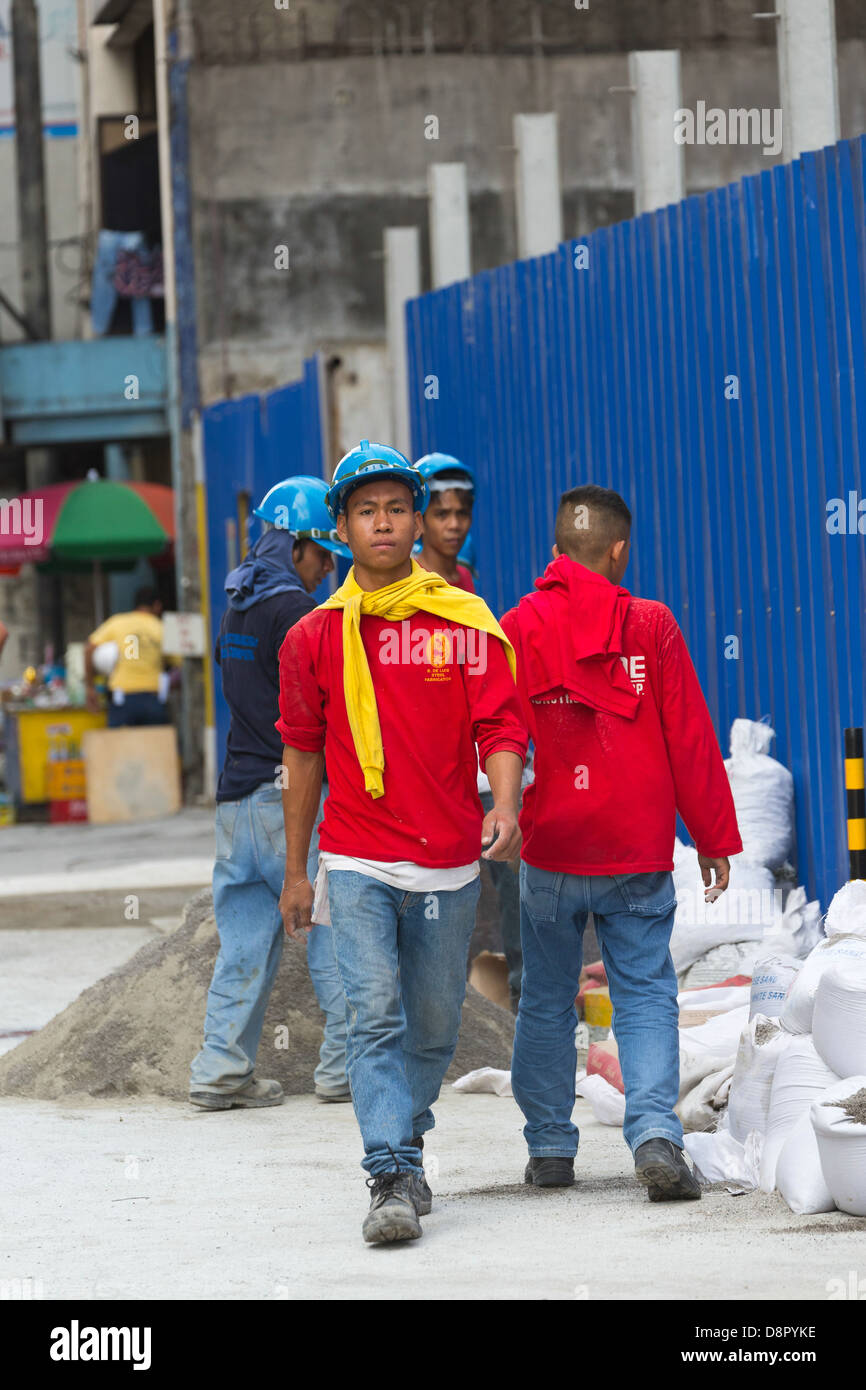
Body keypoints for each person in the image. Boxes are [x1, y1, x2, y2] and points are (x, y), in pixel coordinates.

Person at [277, 440, 528, 1244]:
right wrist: (296, 871)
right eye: (365, 511)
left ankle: (406, 1142)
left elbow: (500, 723)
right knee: (373, 1015)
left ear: (417, 522)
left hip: (448, 860)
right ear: (341, 527)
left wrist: (506, 802)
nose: (382, 523)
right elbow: (302, 757)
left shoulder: (460, 620)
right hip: (355, 857)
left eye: (395, 508)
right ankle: (388, 1172)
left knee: (433, 1025)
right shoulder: (312, 637)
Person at [500, 484, 742, 1201]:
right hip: (634, 850)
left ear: (555, 552)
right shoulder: (651, 625)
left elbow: (496, 732)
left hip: (549, 848)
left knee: (546, 999)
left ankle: (550, 1147)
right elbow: (689, 736)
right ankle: (655, 1135)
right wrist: (713, 835)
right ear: (619, 551)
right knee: (643, 996)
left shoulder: (518, 626)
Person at [189, 477, 353, 1110]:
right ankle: (343, 1069)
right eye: (323, 556)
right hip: (288, 798)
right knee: (328, 925)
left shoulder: (237, 602)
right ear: (297, 546)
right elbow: (323, 710)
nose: (327, 570)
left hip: (235, 802)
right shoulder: (297, 613)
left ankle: (220, 1070)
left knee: (244, 943)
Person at [85, 586, 171, 727]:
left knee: (120, 741)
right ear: (157, 606)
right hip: (153, 698)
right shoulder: (161, 628)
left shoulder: (117, 622)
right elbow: (179, 661)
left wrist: (90, 687)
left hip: (121, 698)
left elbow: (89, 649)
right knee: (154, 741)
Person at [414, 452, 476, 592]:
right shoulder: (409, 583)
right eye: (442, 514)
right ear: (419, 522)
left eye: (462, 513)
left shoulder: (465, 576)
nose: (454, 525)